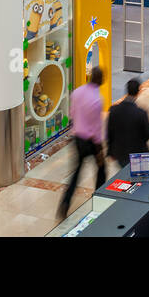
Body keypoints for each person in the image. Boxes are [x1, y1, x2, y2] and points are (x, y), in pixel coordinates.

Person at [58, 66, 106, 220]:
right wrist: (99, 150)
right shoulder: (97, 100)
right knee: (101, 170)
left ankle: (65, 203)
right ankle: (99, 199)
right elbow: (96, 127)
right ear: (100, 80)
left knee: (76, 172)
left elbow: (72, 113)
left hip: (77, 139)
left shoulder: (77, 92)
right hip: (91, 142)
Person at [106, 78, 149, 170]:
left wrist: (110, 152)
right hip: (138, 154)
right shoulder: (141, 113)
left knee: (125, 180)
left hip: (120, 153)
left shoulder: (114, 110)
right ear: (138, 92)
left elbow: (108, 133)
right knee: (140, 181)